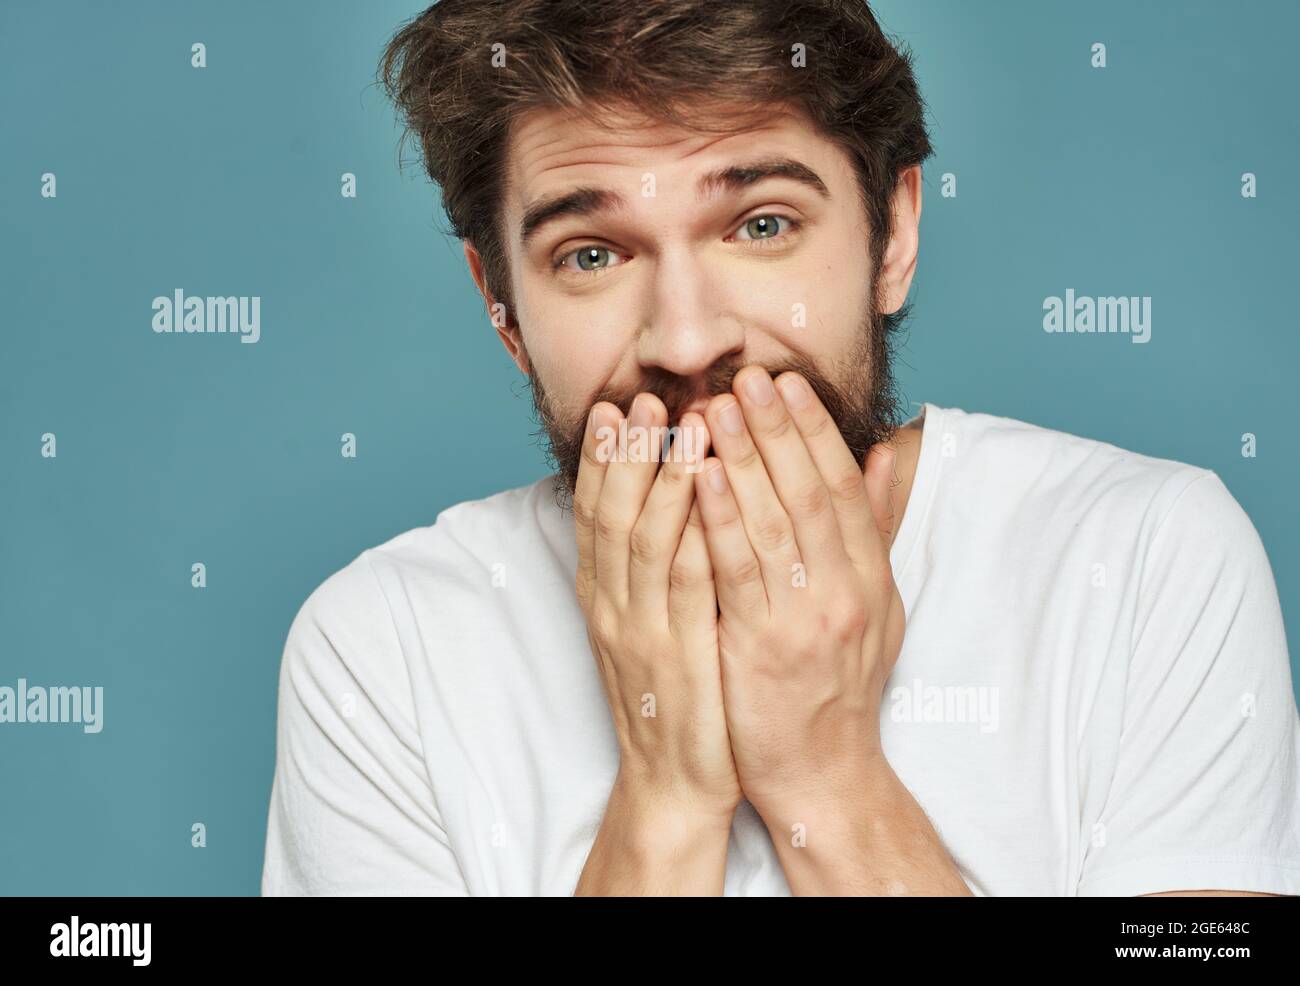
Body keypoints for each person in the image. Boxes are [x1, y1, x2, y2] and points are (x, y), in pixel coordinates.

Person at [261, 0, 1300, 895]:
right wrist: (666, 796)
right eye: (590, 253)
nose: (685, 337)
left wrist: (826, 777)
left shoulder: (1147, 558)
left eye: (760, 225)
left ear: (890, 237)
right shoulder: (378, 651)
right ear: (503, 309)